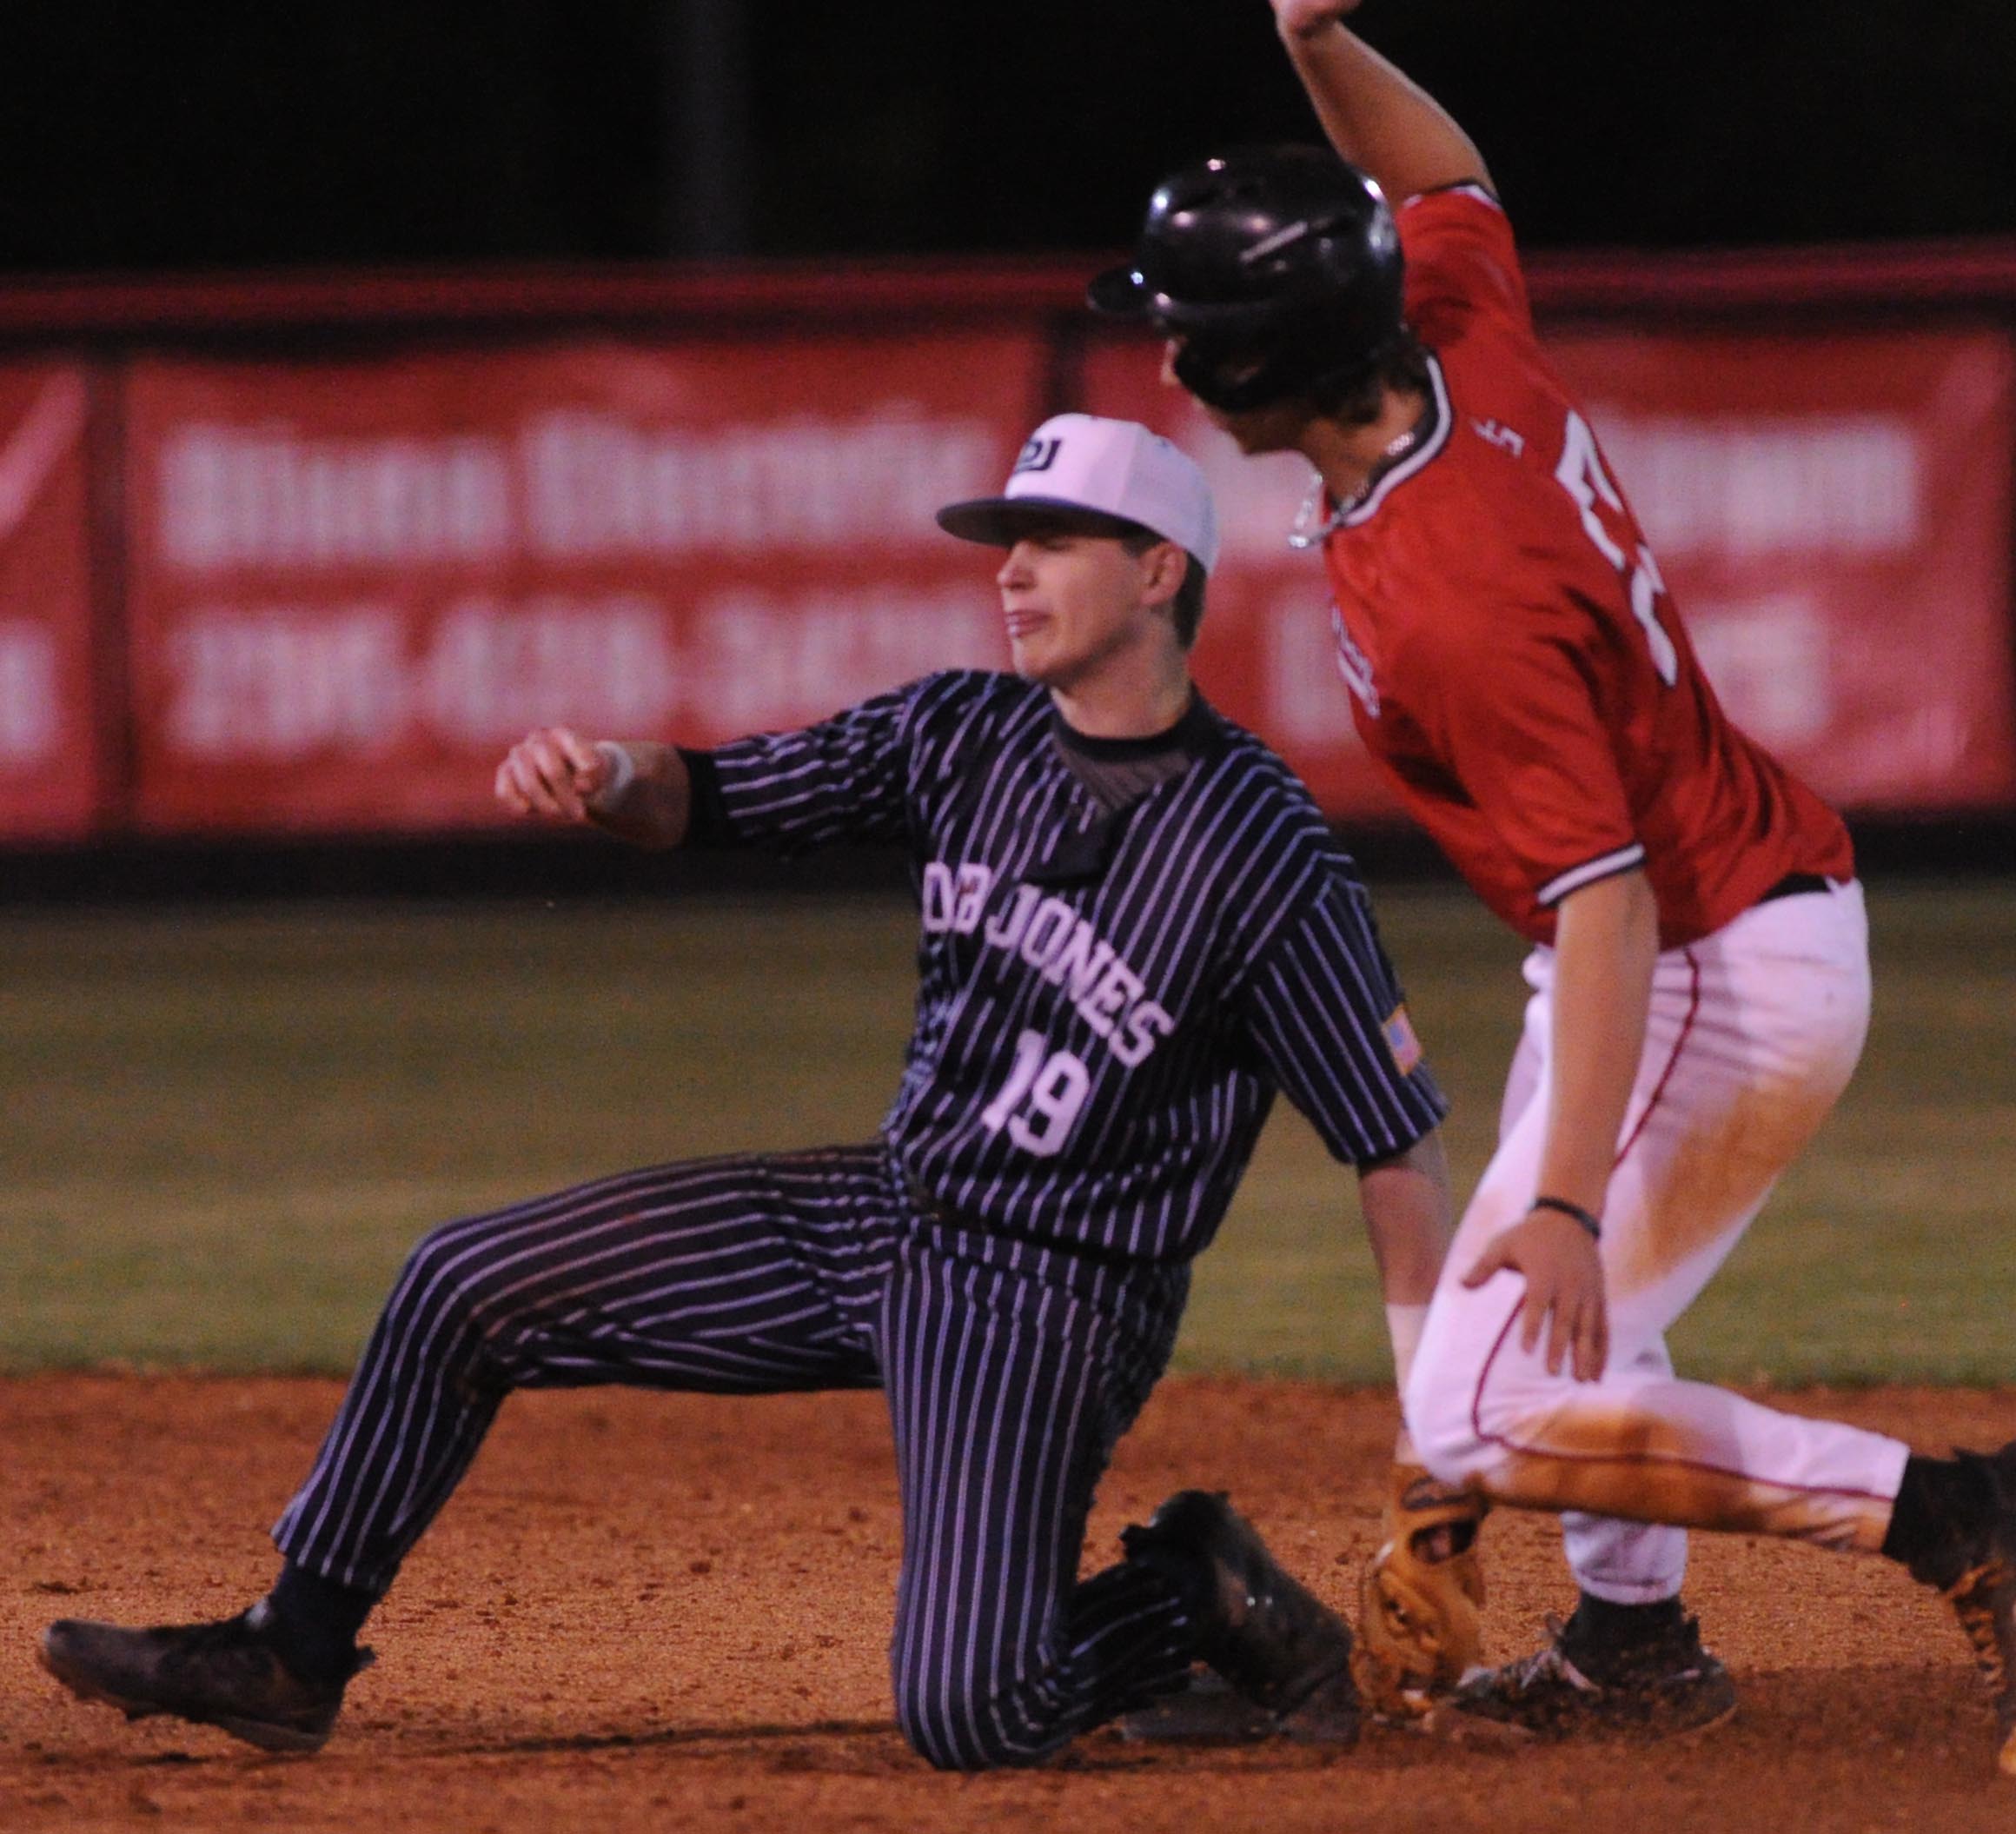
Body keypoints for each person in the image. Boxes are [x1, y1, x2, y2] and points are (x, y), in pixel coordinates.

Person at [37, 413, 1456, 1771]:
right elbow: (712, 797)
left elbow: (1393, 1144)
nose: (1009, 571)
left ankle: (1191, 1593)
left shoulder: (1260, 844)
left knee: (976, 1711)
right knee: (461, 1280)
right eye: (1004, 540)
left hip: (1057, 1292)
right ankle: (290, 1655)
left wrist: (1438, 1446)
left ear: (1158, 572)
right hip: (886, 1210)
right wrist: (609, 777)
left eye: (1054, 540)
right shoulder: (961, 734)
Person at [1089, 0, 2016, 1778]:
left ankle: (1960, 1513)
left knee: (1482, 1396)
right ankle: (1632, 1635)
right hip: (1692, 925)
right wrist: (1316, 36)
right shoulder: (1446, 333)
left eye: (1183, 339)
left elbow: (1607, 905)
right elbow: (1447, 174)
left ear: (1262, 372)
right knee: (1536, 1357)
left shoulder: (1444, 586)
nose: (1162, 365)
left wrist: (1554, 1201)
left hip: (1707, 954)